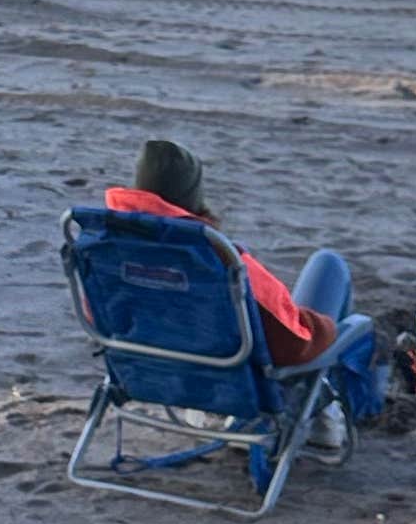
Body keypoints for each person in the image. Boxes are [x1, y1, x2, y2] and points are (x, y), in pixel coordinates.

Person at [103, 136, 384, 434]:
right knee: (329, 267)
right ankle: (331, 414)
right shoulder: (215, 256)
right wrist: (324, 327)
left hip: (155, 377)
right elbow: (294, 344)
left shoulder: (107, 249)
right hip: (237, 386)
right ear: (194, 199)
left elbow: (101, 321)